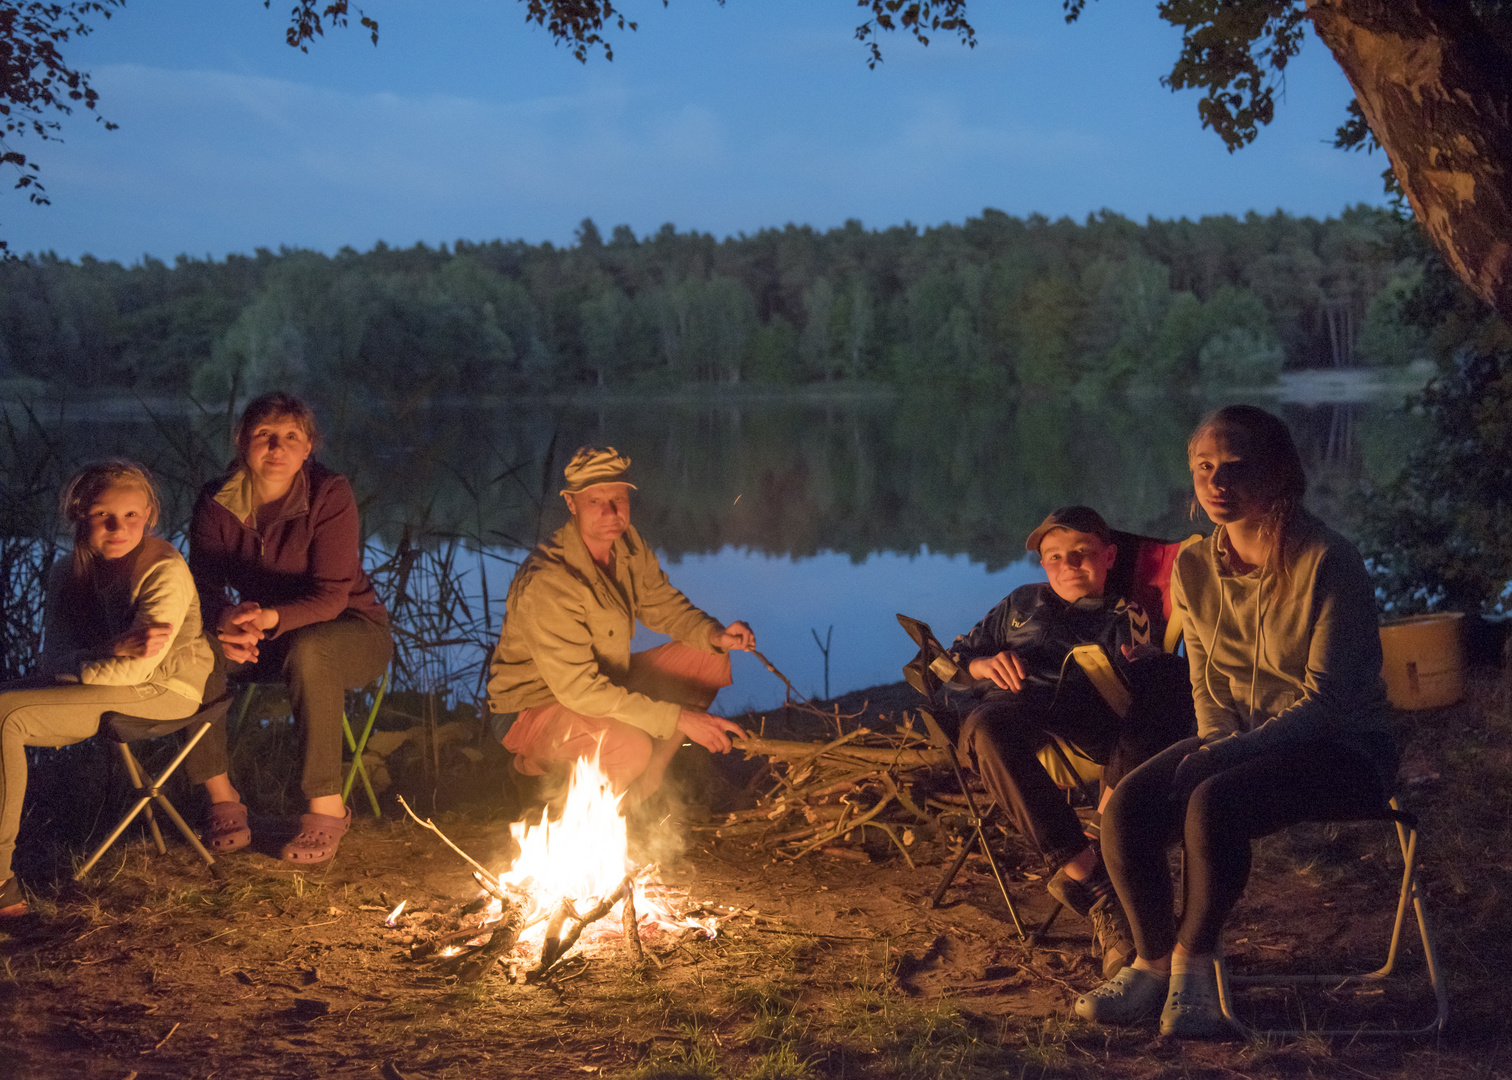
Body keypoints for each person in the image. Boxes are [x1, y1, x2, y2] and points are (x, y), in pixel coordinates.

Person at [1074, 405, 1397, 1037]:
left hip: (1342, 750)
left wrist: (1225, 757)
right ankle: (1151, 964)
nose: (1218, 482)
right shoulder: (1193, 568)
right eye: (1204, 467)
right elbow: (1207, 681)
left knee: (1213, 802)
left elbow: (1328, 703)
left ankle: (1196, 972)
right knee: (1130, 805)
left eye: (1236, 466)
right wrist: (1218, 741)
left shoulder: (1329, 563)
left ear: (1279, 473)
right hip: (1240, 740)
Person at [950, 506, 1196, 977]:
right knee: (983, 728)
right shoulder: (1020, 604)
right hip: (1022, 705)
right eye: (1055, 557)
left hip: (1095, 724)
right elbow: (953, 661)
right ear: (1044, 565)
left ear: (1108, 557)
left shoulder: (1127, 614)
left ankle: (1102, 845)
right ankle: (1093, 875)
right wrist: (982, 666)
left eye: (1081, 554)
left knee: (1167, 680)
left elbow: (1145, 701)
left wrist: (1146, 662)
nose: (1069, 565)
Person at [0, 461, 215, 919]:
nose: (118, 528)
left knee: (7, 717)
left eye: (131, 516)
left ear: (150, 515)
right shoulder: (66, 573)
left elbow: (134, 672)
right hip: (107, 679)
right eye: (102, 515)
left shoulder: (162, 570)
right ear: (79, 515)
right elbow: (51, 659)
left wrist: (79, 665)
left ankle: (1, 885)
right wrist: (105, 648)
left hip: (163, 689)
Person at [188, 392, 392, 864]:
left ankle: (327, 807)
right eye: (264, 435)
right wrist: (224, 622)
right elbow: (200, 587)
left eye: (290, 437)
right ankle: (221, 797)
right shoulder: (216, 502)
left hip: (351, 633)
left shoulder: (328, 494)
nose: (276, 447)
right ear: (242, 442)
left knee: (311, 648)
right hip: (261, 636)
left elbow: (332, 596)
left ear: (308, 448)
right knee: (195, 649)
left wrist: (264, 619)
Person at [488, 446, 751, 801]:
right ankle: (535, 774)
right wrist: (679, 719)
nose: (610, 511)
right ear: (572, 504)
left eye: (618, 498)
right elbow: (579, 690)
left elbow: (660, 603)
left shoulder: (626, 543)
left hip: (604, 681)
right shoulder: (549, 581)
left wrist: (714, 634)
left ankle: (646, 783)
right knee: (629, 747)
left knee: (708, 654)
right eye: (595, 501)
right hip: (535, 706)